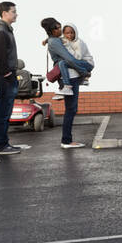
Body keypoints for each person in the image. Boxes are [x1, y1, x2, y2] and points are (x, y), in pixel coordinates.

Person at [43, 17, 86, 149]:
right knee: (71, 109)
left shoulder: (54, 39)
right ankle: (67, 141)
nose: (61, 30)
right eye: (58, 28)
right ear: (52, 30)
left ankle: (67, 139)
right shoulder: (54, 42)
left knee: (71, 109)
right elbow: (69, 59)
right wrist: (84, 70)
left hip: (69, 75)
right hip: (68, 76)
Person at [0, 1, 23, 155]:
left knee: (4, 112)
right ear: (4, 13)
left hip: (6, 78)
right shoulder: (2, 32)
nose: (16, 14)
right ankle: (1, 145)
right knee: (2, 113)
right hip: (5, 78)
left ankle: (3, 144)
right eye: (13, 11)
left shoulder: (6, 31)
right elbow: (1, 59)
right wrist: (9, 76)